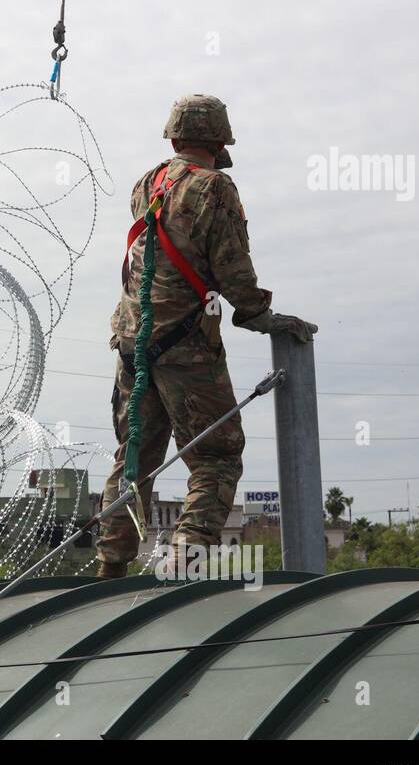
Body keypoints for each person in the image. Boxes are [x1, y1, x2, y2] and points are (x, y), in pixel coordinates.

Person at [97, 94, 316, 578]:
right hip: (185, 344)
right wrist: (259, 314)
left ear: (173, 136)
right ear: (221, 140)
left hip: (133, 340)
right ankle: (184, 562)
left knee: (136, 455)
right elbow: (231, 263)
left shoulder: (147, 182)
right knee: (216, 456)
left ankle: (109, 565)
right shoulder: (215, 188)